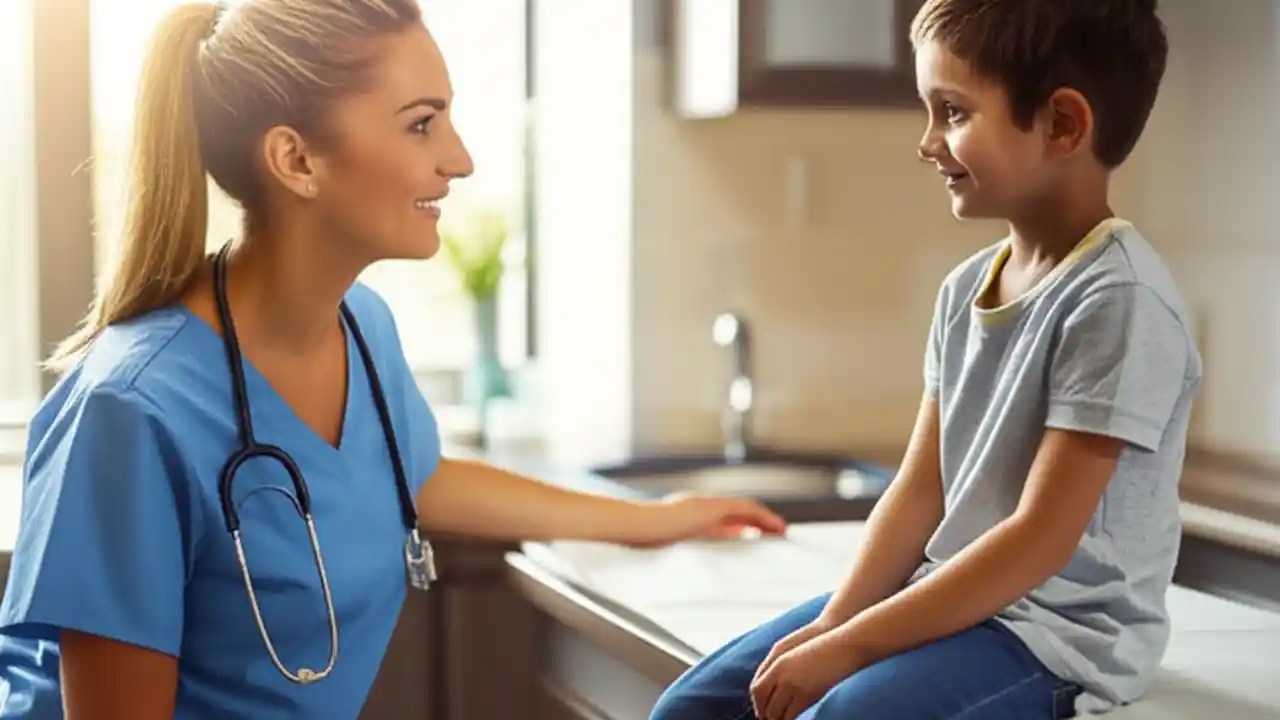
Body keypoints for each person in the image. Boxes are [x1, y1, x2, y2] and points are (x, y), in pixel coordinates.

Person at [0, 2, 788, 717]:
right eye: (421, 125)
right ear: (296, 160)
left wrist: (652, 520)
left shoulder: (361, 327)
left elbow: (415, 477)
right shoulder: (129, 410)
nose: (460, 159)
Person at [651, 1, 1201, 718]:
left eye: (953, 112)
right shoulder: (964, 289)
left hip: (1051, 636)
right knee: (692, 709)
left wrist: (851, 649)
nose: (927, 142)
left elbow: (1036, 541)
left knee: (844, 713)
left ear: (1063, 124)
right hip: (946, 597)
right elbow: (919, 493)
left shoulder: (1119, 300)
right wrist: (834, 625)